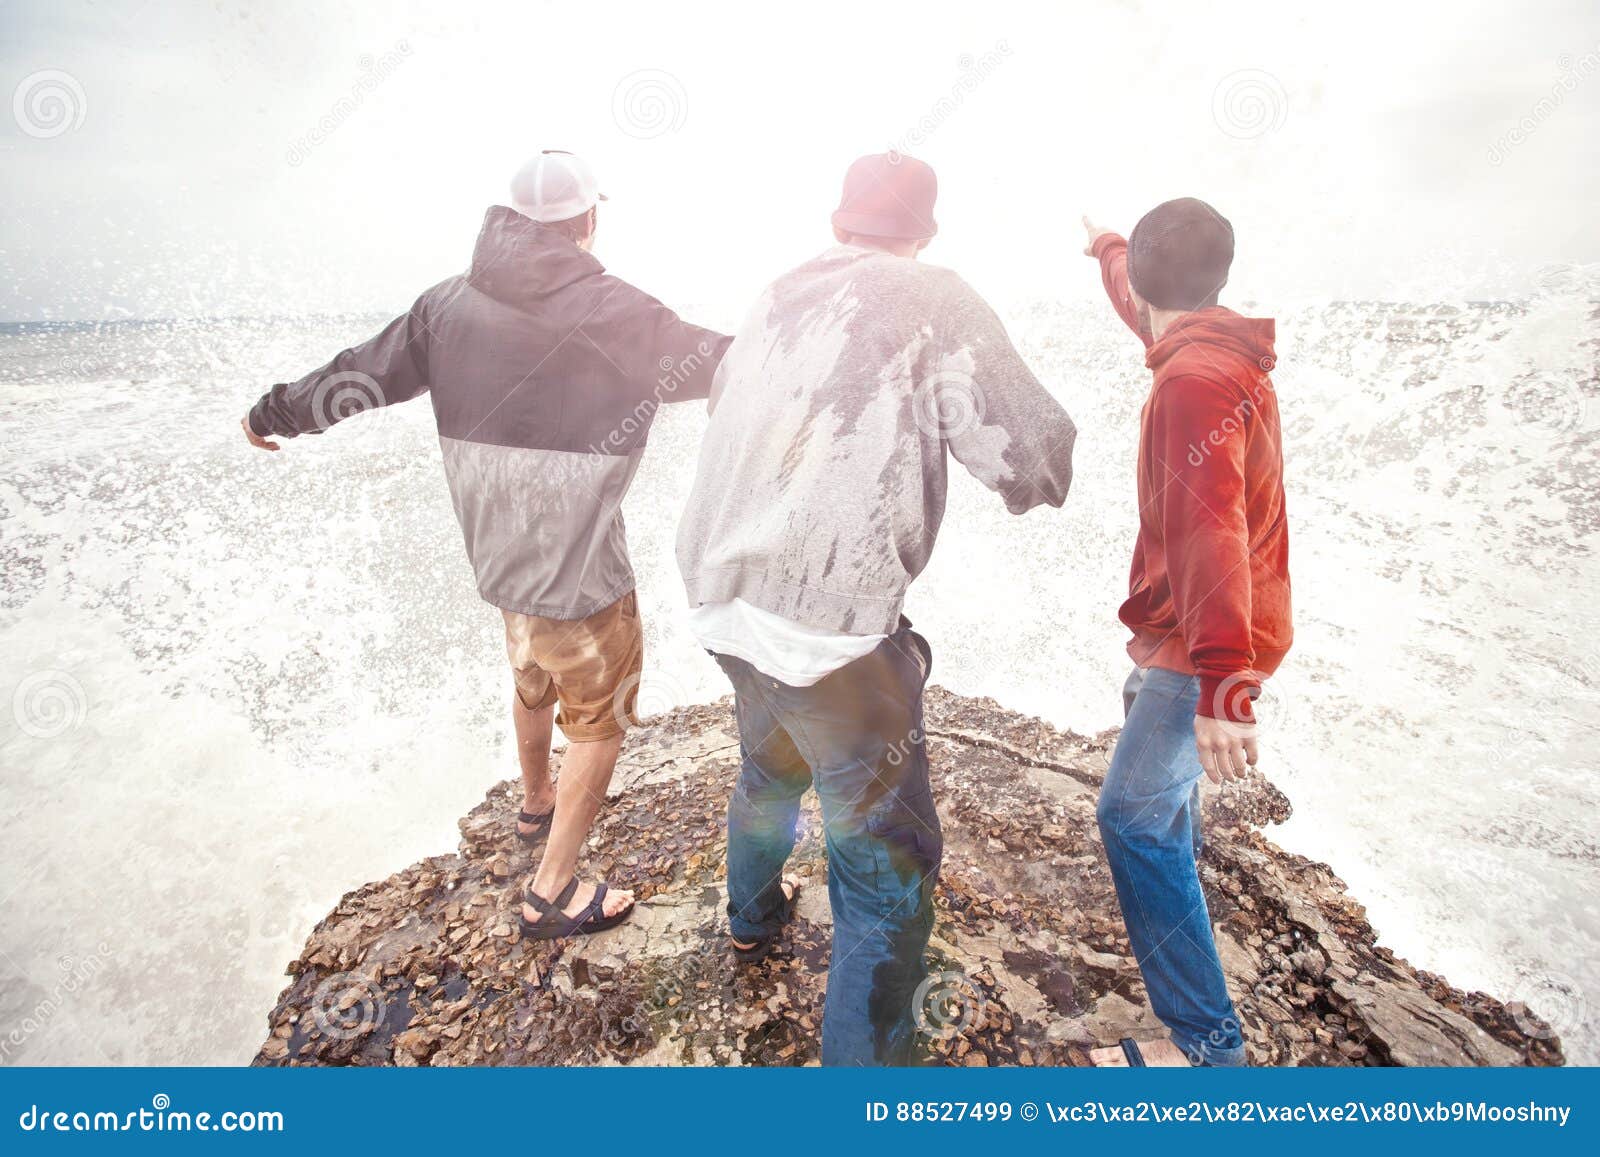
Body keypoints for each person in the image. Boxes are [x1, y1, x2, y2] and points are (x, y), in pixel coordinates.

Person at [242, 150, 730, 940]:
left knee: (533, 673)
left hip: (499, 559)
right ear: (587, 219)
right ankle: (552, 889)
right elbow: (724, 365)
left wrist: (273, 413)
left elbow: (358, 375)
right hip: (580, 571)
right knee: (600, 720)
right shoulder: (614, 310)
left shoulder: (445, 306)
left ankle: (535, 800)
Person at [676, 153, 1077, 1066]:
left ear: (839, 222)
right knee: (883, 872)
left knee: (769, 766)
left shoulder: (775, 294)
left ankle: (752, 917)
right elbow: (1033, 458)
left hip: (720, 596)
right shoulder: (934, 296)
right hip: (826, 634)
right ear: (925, 233)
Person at [1080, 199, 1292, 1067]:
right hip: (1197, 621)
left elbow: (1212, 534)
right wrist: (1104, 244)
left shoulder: (1191, 382)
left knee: (1131, 818)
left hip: (1206, 634)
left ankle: (1208, 1050)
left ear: (1147, 285)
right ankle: (1185, 903)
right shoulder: (1201, 339)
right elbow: (1136, 295)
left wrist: (1223, 686)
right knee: (1158, 801)